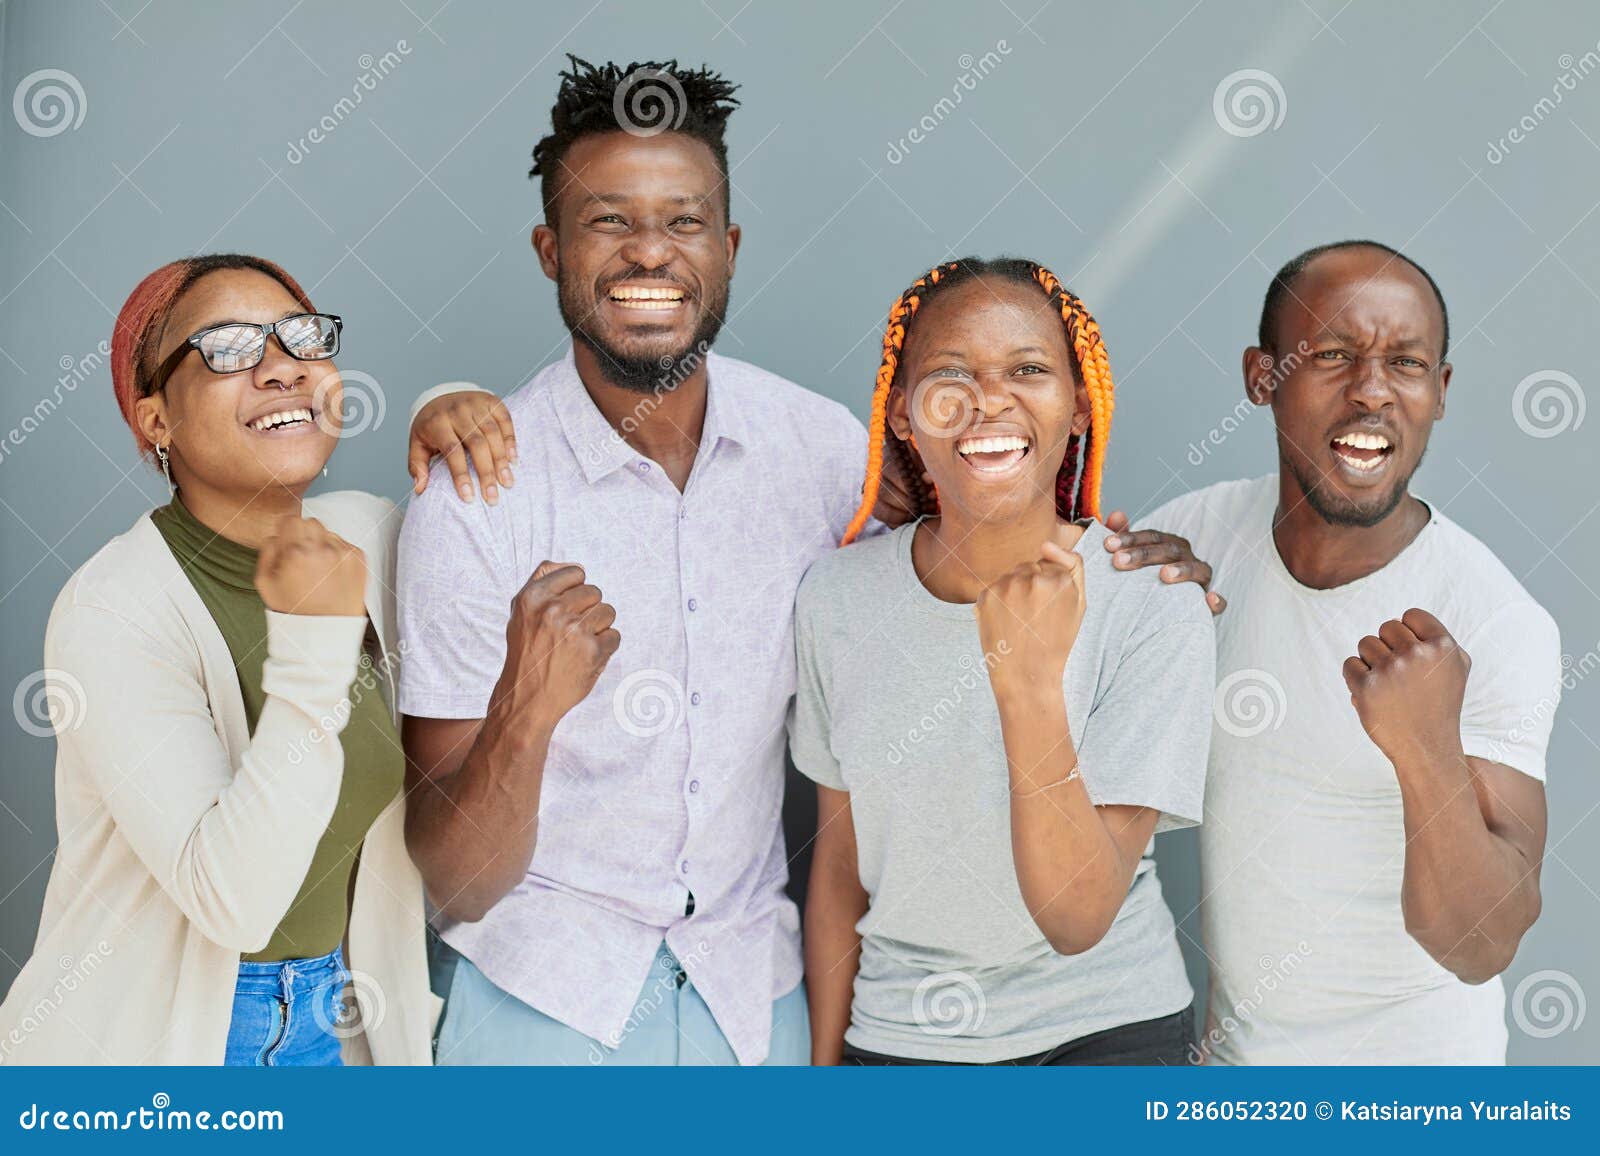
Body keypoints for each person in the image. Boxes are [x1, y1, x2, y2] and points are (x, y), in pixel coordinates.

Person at [0, 253, 512, 1065]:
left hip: (337, 1018)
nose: (280, 368)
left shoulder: (369, 535)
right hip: (163, 1048)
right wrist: (312, 645)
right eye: (229, 348)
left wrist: (445, 409)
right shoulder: (113, 610)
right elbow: (232, 900)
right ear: (155, 421)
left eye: (300, 339)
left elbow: (506, 550)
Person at [1107, 240, 1562, 1064]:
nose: (1373, 391)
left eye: (1407, 362)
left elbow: (1481, 943)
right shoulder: (1201, 537)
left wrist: (1425, 751)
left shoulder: (1491, 619)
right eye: (1333, 355)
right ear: (1262, 376)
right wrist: (1120, 606)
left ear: (1441, 391)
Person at [791, 258, 1214, 1066]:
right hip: (900, 1041)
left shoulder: (1152, 600)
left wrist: (1026, 685)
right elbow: (840, 869)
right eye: (951, 376)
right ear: (904, 416)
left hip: (1104, 1039)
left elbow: (1077, 917)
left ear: (1079, 405)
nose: (990, 400)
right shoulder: (834, 600)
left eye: (1028, 370)